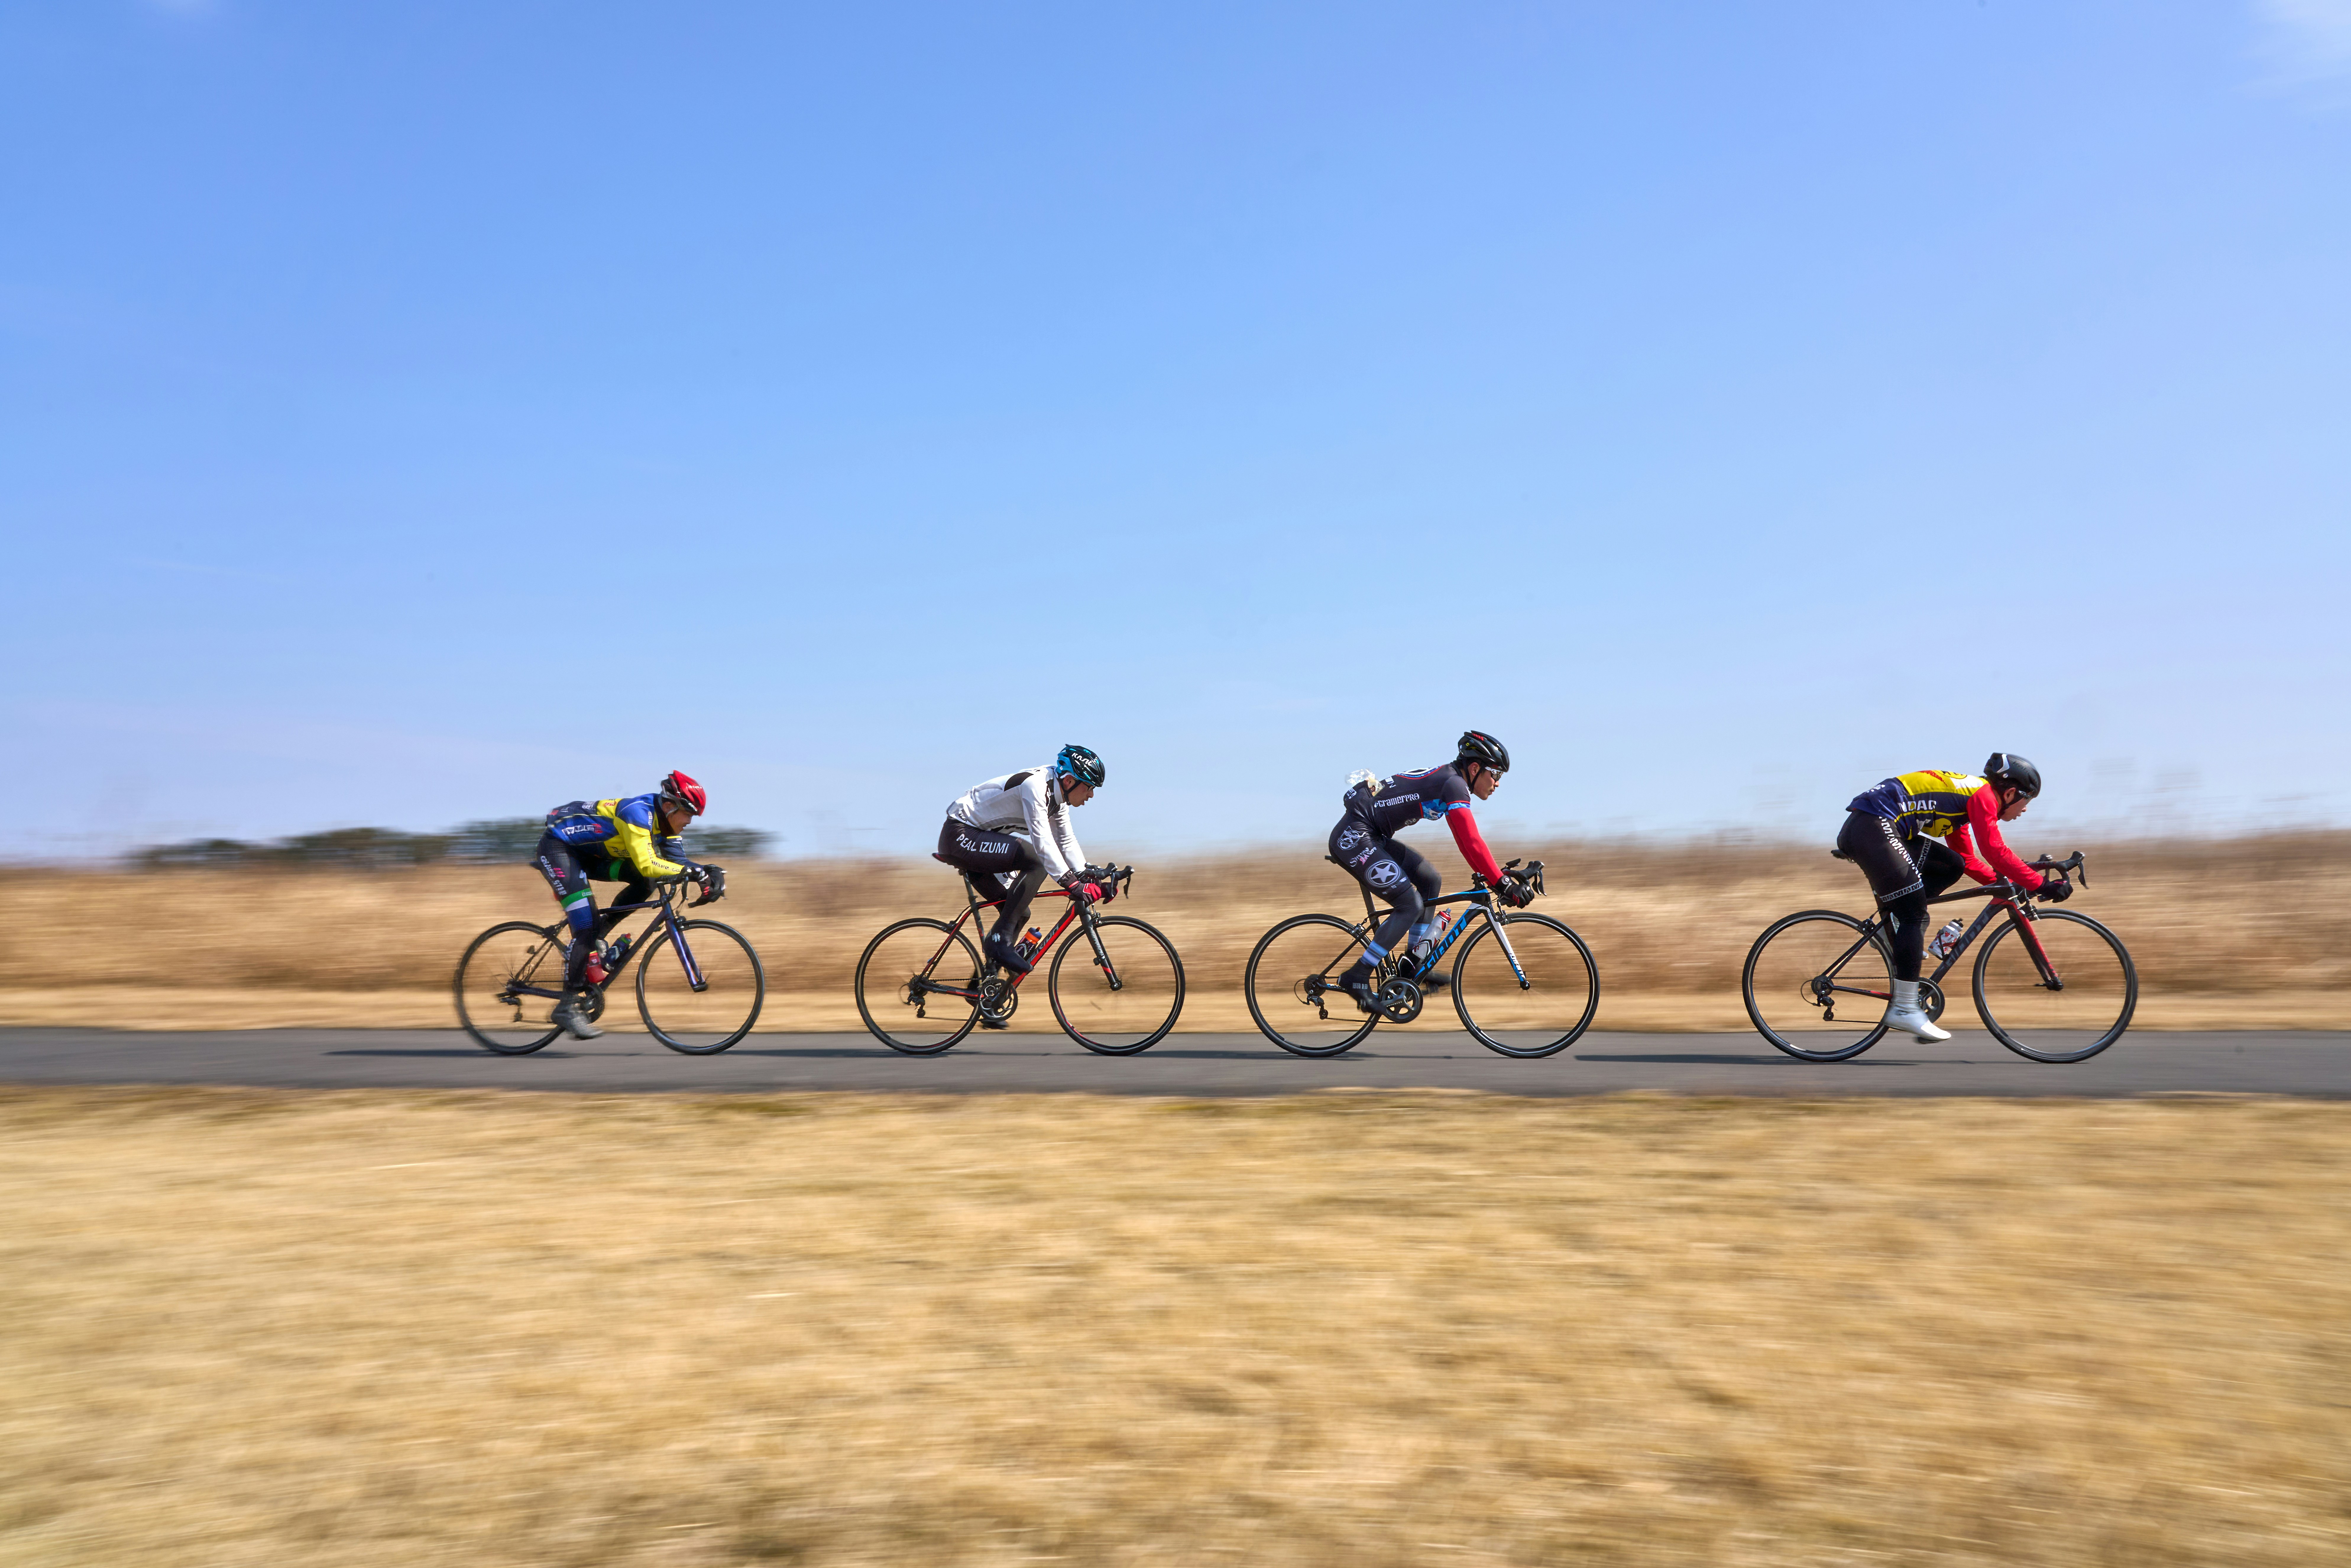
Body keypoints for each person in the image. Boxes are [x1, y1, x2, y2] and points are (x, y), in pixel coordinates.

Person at [1838, 752, 2069, 1043]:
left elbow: (1968, 860)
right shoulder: (1983, 797)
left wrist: (2011, 883)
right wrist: (2041, 885)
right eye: (2027, 801)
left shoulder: (1966, 802)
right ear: (2010, 794)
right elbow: (1995, 851)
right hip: (1873, 827)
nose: (2025, 810)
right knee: (1914, 916)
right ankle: (1904, 1008)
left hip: (1873, 827)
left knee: (1951, 866)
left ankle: (1891, 930)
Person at [1328, 730, 1530, 1013]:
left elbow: (1465, 843)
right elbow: (1472, 841)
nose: (1497, 783)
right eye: (1495, 774)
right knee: (1410, 905)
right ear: (1475, 769)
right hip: (1354, 836)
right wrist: (1501, 881)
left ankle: (1412, 965)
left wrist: (1497, 875)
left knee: (1430, 880)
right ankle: (1358, 975)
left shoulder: (1453, 782)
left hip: (1373, 835)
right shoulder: (1454, 785)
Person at [533, 770, 726, 1039]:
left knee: (647, 883)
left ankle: (598, 937)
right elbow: (648, 864)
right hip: (559, 850)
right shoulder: (638, 814)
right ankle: (566, 1007)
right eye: (688, 814)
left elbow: (678, 863)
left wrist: (706, 870)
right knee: (586, 924)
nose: (689, 822)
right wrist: (694, 874)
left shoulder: (667, 825)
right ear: (669, 806)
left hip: (592, 856)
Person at [936, 745, 1112, 976]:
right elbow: (1043, 841)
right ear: (1069, 781)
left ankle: (984, 986)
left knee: (1020, 912)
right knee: (1037, 862)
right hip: (960, 836)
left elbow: (1065, 840)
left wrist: (1087, 876)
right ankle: (1000, 941)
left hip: (980, 841)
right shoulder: (1036, 786)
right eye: (1089, 787)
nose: (1091, 795)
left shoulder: (1058, 799)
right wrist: (1072, 884)